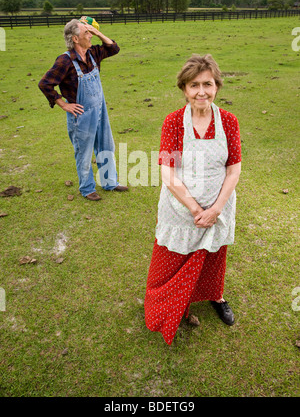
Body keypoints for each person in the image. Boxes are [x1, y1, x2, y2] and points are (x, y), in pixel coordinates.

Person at [144, 54, 242, 345]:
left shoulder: (229, 121)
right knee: (171, 258)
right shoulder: (173, 122)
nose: (202, 91)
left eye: (208, 84)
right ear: (184, 89)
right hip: (180, 206)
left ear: (217, 87)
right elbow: (168, 172)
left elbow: (234, 170)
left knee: (213, 256)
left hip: (218, 203)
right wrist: (196, 209)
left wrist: (215, 209)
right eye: (194, 85)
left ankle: (216, 296)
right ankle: (175, 301)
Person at [38, 18, 128, 200]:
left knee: (106, 146)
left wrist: (97, 32)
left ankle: (110, 182)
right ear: (75, 39)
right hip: (81, 115)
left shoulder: (93, 53)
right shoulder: (65, 60)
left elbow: (114, 48)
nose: (90, 34)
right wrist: (63, 103)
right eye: (86, 32)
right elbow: (45, 84)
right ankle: (87, 188)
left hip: (100, 110)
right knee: (84, 151)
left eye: (90, 32)